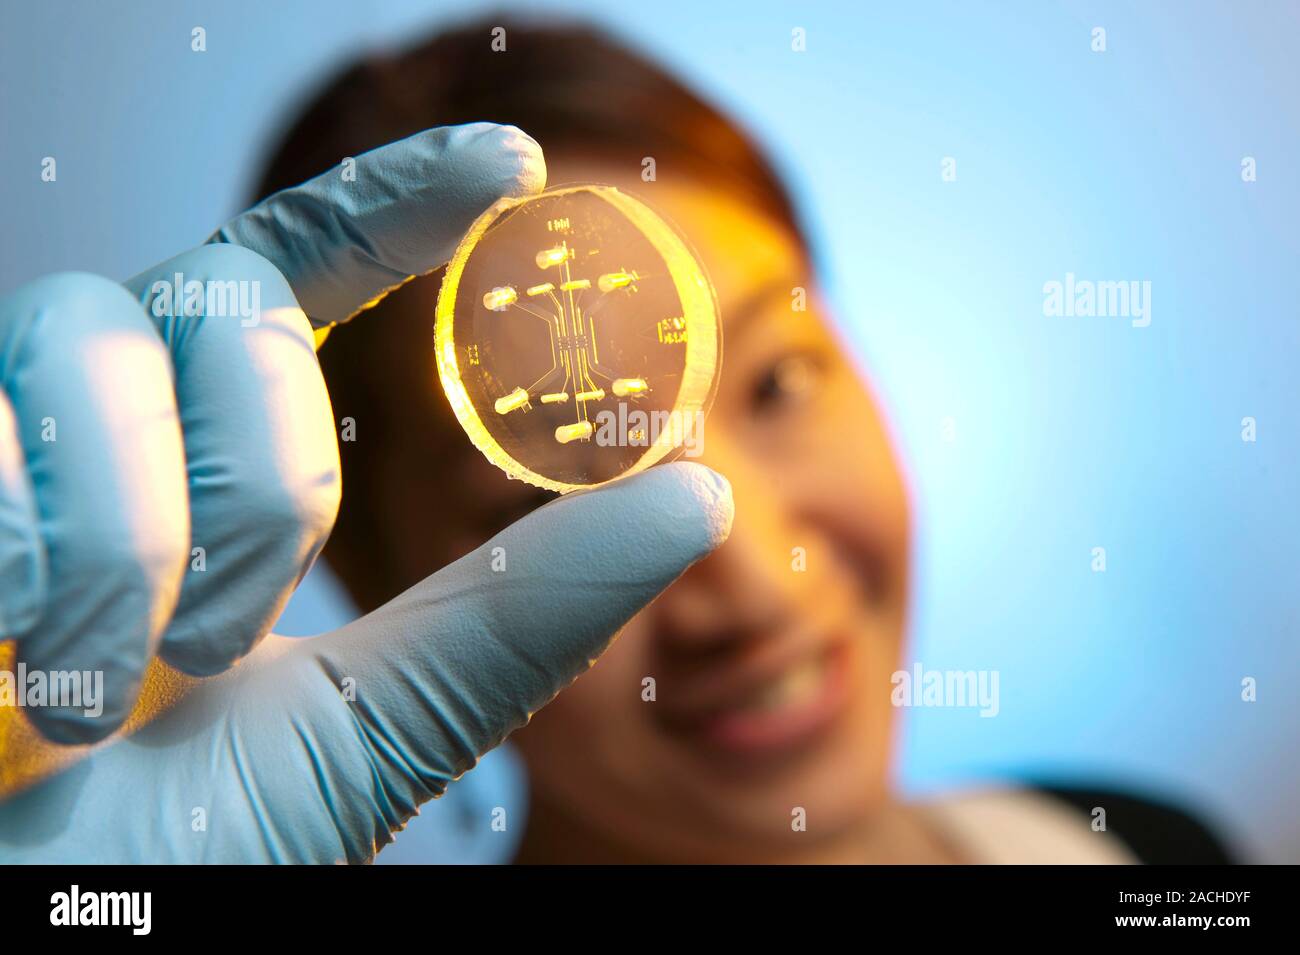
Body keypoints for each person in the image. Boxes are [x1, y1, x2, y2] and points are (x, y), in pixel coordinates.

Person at [252, 18, 1234, 864]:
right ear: (375, 590)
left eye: (776, 382)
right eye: (546, 501)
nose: (758, 584)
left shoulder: (1151, 850)